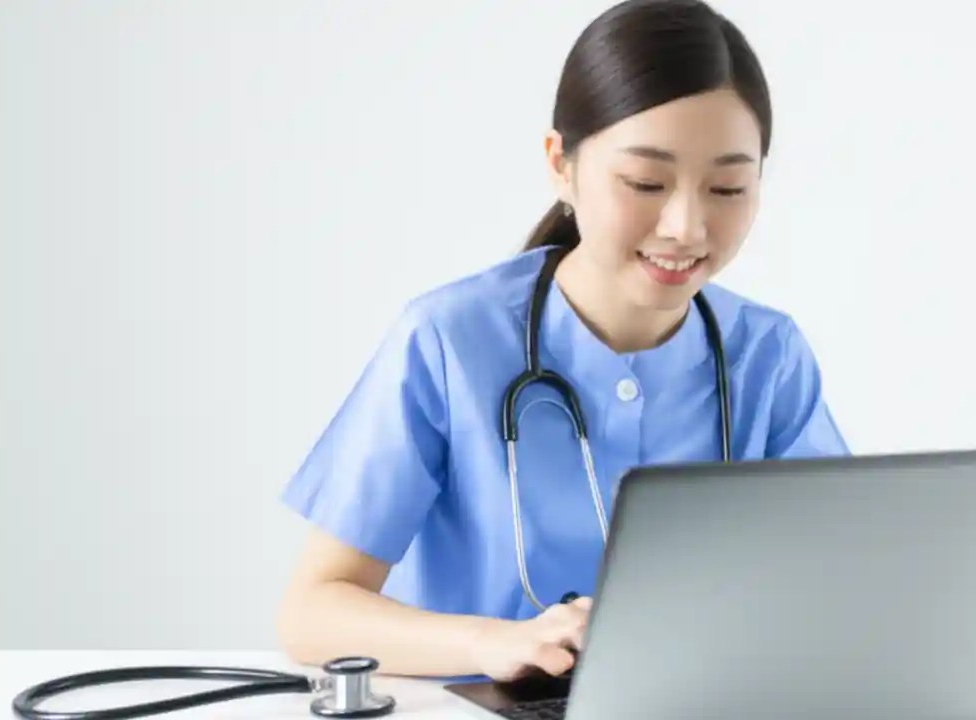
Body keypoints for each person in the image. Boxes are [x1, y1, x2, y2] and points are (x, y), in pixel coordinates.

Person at [276, 0, 849, 683]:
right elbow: (313, 612)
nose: (687, 227)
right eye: (645, 182)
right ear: (561, 163)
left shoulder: (769, 358)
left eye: (728, 187)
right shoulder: (449, 341)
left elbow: (833, 591)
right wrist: (490, 645)